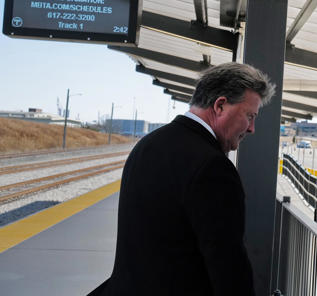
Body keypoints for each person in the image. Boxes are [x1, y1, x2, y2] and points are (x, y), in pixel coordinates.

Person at [90, 63, 275, 296]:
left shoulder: (148, 144)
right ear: (220, 105)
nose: (252, 128)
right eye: (249, 116)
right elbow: (228, 267)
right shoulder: (213, 168)